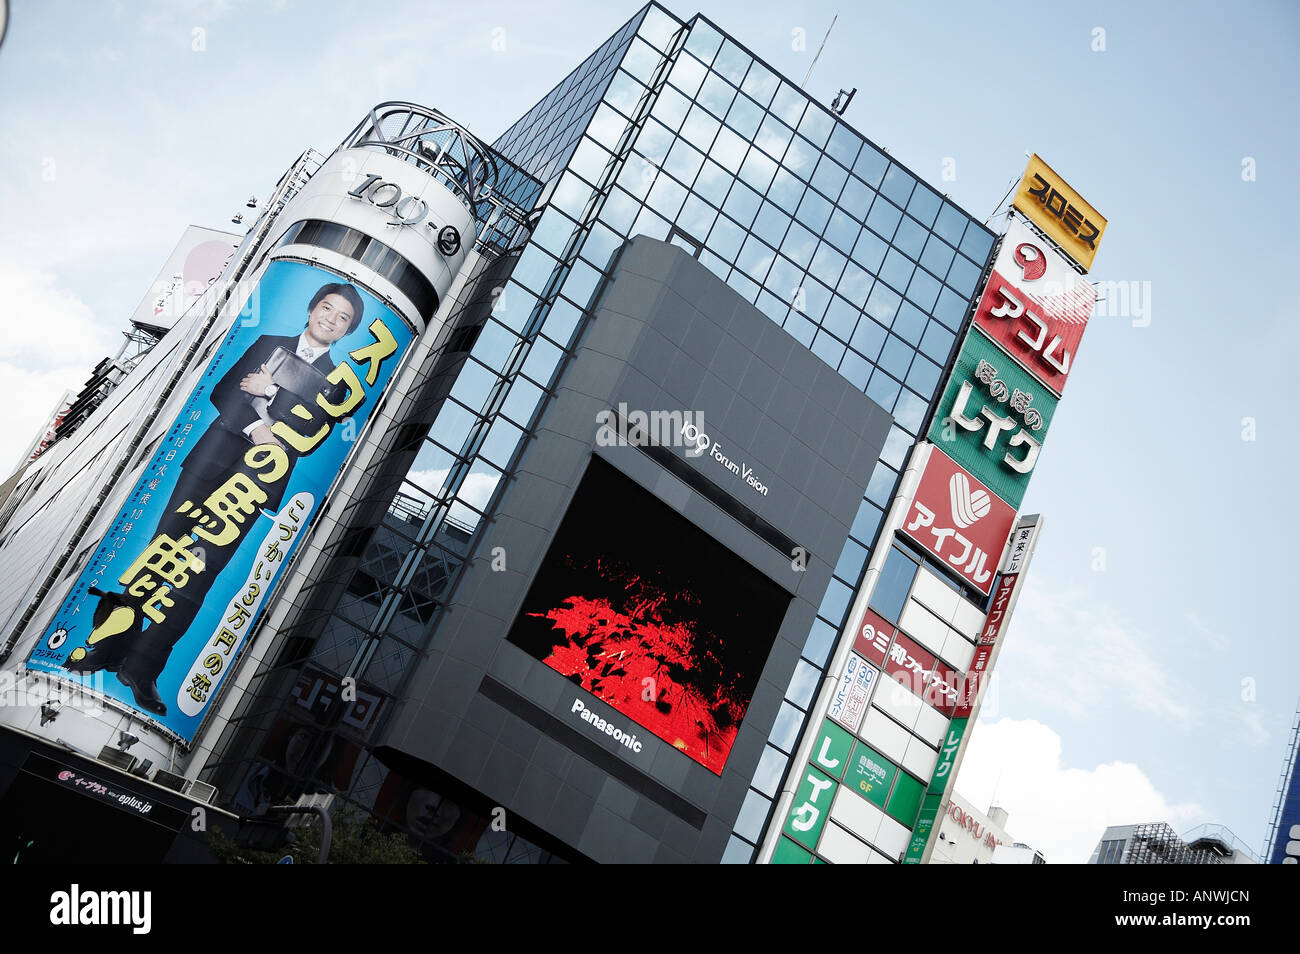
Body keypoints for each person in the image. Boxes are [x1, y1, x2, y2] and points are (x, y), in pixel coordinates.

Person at [65, 282, 366, 717]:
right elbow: (225, 392)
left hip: (255, 485)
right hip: (211, 461)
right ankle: (105, 647)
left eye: (343, 318)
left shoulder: (338, 387)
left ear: (347, 331)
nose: (330, 320)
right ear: (311, 307)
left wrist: (271, 393)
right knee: (160, 552)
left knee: (197, 579)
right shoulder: (268, 343)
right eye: (326, 308)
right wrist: (258, 427)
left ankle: (143, 667)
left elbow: (309, 439)